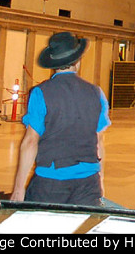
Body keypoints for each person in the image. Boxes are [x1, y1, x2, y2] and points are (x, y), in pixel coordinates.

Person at [12, 32, 111, 206]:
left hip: (50, 182)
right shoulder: (97, 93)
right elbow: (99, 141)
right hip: (88, 182)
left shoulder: (41, 92)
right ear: (78, 60)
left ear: (53, 64)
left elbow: (30, 142)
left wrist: (19, 190)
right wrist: (100, 180)